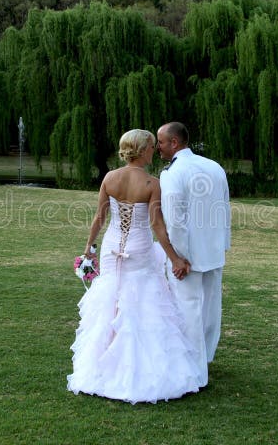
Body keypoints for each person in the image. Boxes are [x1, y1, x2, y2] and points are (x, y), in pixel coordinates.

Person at [67, 129, 200, 404]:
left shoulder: (110, 178)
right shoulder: (152, 183)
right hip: (139, 248)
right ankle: (139, 369)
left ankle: (101, 367)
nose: (154, 150)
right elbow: (156, 225)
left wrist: (88, 249)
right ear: (142, 150)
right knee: (142, 304)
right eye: (152, 146)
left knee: (110, 301)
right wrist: (175, 258)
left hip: (111, 247)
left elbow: (99, 217)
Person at [156, 122, 231, 388]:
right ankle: (206, 357)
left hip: (188, 258)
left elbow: (175, 220)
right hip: (213, 251)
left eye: (161, 142)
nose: (158, 147)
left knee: (188, 310)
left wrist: (179, 258)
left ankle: (194, 368)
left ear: (174, 143)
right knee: (211, 309)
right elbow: (224, 208)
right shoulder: (214, 166)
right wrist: (223, 244)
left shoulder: (172, 173)